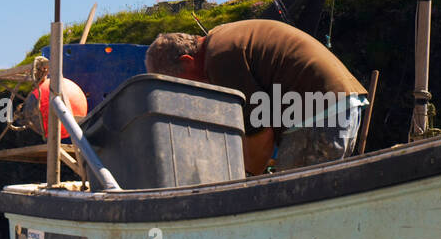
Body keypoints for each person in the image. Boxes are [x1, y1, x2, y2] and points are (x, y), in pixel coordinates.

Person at [145, 19, 368, 174]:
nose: (187, 91)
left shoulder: (220, 60)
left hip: (319, 112)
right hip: (337, 103)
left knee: (289, 198)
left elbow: (261, 134)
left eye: (181, 82)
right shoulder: (221, 38)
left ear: (187, 61)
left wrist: (246, 180)